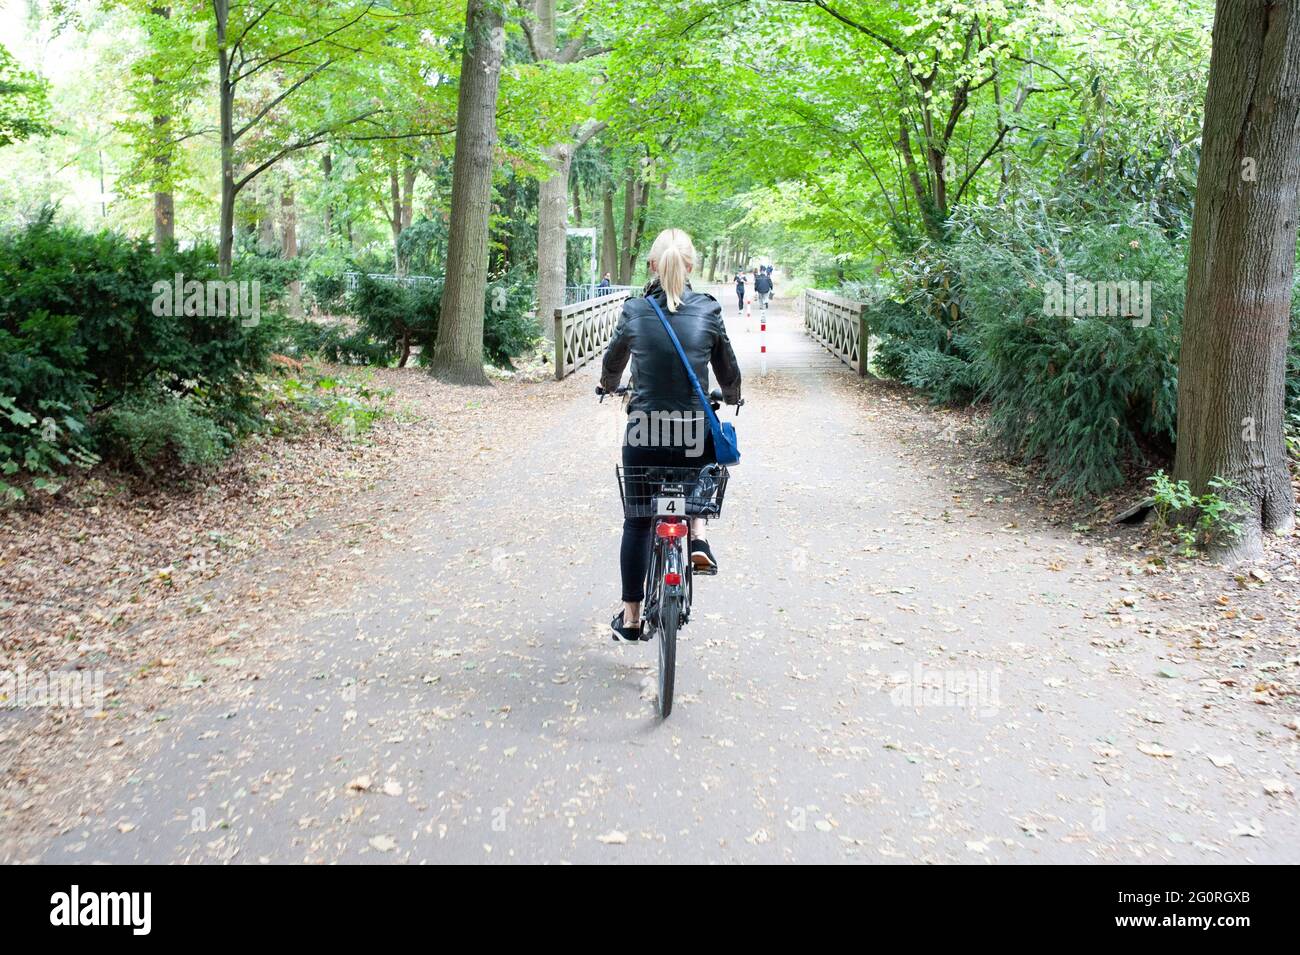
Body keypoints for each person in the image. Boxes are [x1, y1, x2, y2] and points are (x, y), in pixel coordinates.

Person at [600, 229, 742, 642]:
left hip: (644, 431)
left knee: (638, 523)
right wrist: (731, 396)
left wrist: (609, 386)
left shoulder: (634, 310)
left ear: (651, 266)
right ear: (692, 266)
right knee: (698, 475)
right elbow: (727, 368)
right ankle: (697, 537)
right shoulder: (709, 310)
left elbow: (613, 362)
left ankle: (630, 619)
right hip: (692, 434)